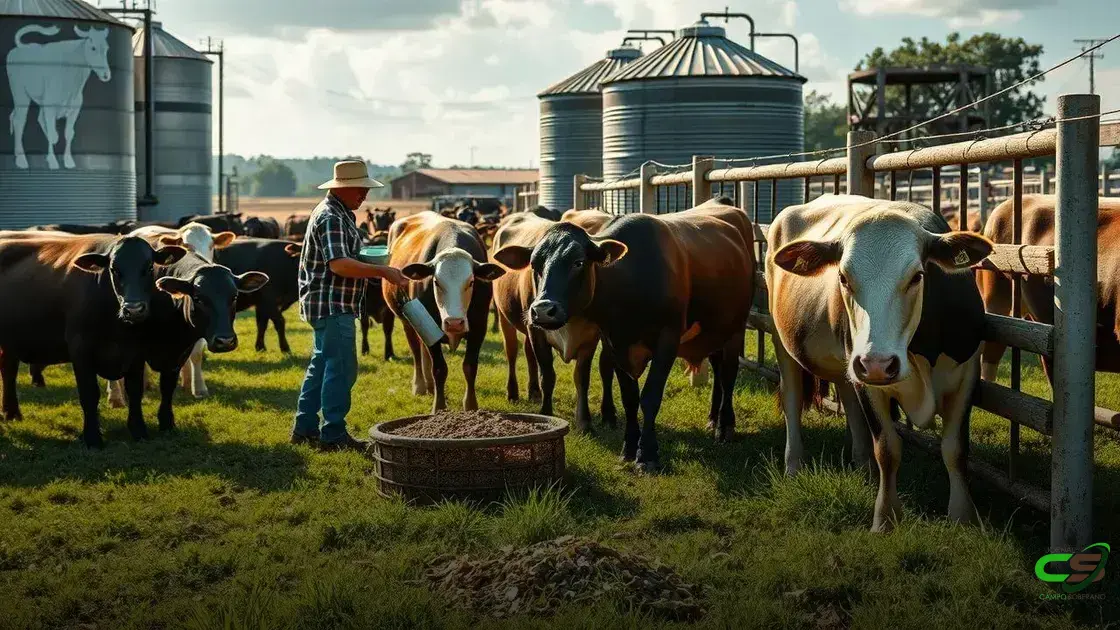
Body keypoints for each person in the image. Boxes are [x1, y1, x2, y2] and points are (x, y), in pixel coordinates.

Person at [292, 160, 408, 451]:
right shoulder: (332, 216)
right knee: (342, 368)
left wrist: (368, 263)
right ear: (343, 188)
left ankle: (304, 429)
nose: (364, 195)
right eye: (360, 188)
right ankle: (333, 435)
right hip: (332, 305)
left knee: (321, 366)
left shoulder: (337, 212)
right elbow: (340, 265)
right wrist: (382, 271)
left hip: (328, 303)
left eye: (365, 189)